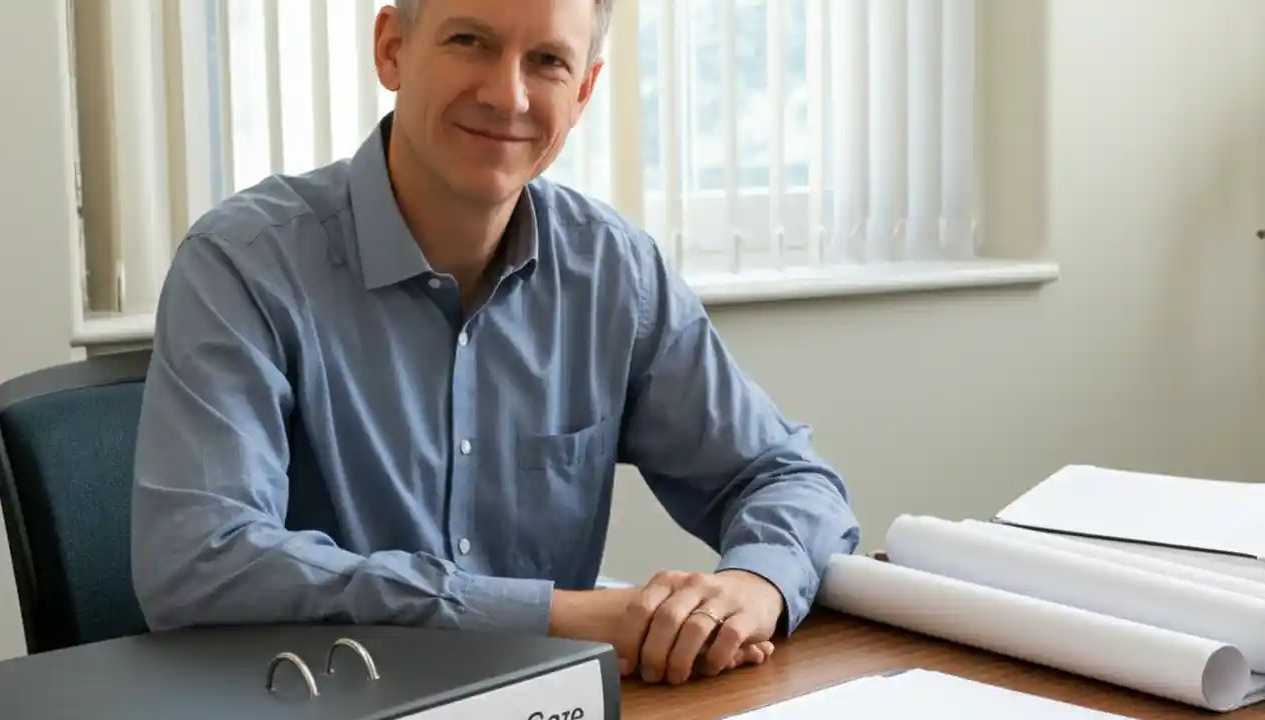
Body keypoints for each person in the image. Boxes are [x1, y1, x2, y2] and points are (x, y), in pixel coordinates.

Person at [131, 0, 860, 687]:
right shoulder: (245, 263)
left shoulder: (613, 271)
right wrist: (557, 618)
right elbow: (199, 562)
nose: (507, 95)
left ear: (584, 92)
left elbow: (787, 478)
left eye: (547, 60)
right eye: (469, 41)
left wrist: (755, 584)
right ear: (392, 50)